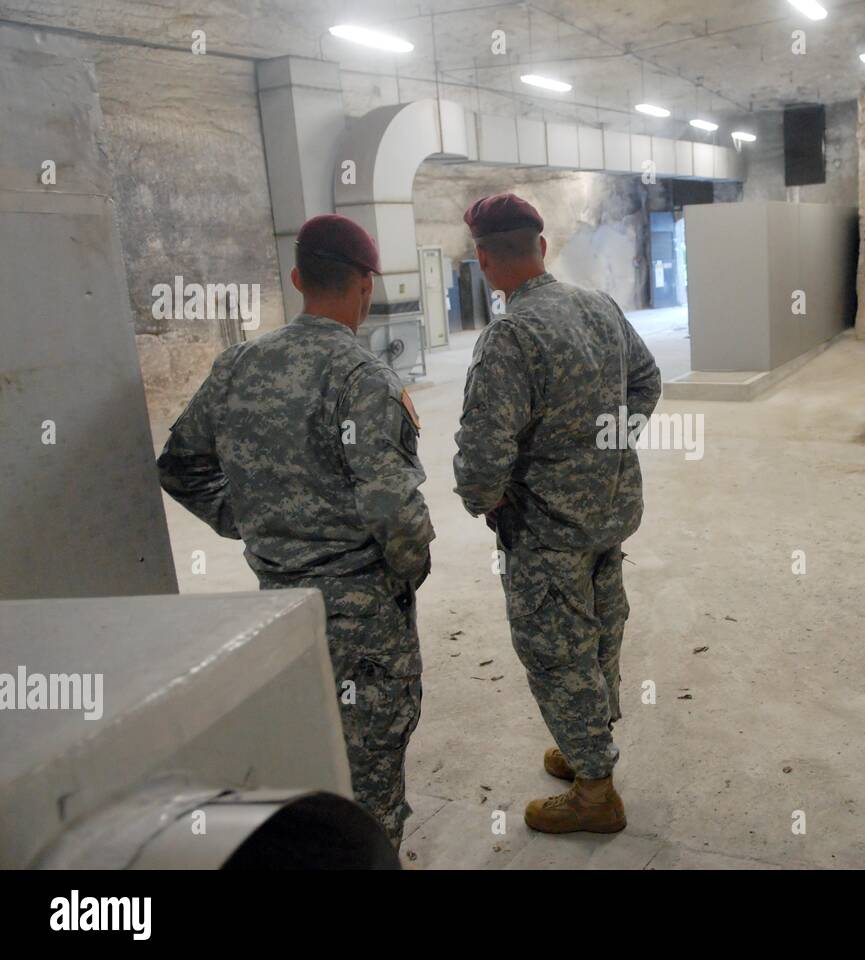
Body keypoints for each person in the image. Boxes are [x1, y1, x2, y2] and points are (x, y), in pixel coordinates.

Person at [157, 214, 434, 848]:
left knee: (307, 752)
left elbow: (179, 466)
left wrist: (247, 519)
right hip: (359, 610)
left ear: (296, 278)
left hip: (275, 602)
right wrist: (405, 572)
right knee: (370, 769)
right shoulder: (363, 377)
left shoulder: (237, 365)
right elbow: (394, 512)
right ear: (367, 285)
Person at [453, 193, 661, 834]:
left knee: (555, 651)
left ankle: (596, 793)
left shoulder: (509, 338)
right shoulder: (598, 307)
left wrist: (490, 497)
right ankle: (585, 747)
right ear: (541, 248)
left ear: (485, 263)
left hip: (546, 532)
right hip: (608, 516)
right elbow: (647, 382)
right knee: (600, 629)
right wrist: (602, 449)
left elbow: (481, 463)